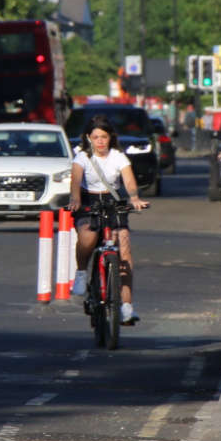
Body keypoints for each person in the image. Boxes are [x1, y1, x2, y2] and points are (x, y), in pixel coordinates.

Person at [69, 115, 150, 325]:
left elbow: (129, 180)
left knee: (124, 246)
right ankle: (80, 272)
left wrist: (134, 198)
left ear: (110, 137)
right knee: (88, 237)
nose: (100, 142)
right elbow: (76, 181)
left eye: (104, 137)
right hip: (89, 200)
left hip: (113, 200)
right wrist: (75, 200)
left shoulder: (118, 157)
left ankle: (126, 306)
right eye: (96, 137)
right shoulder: (81, 157)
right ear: (88, 138)